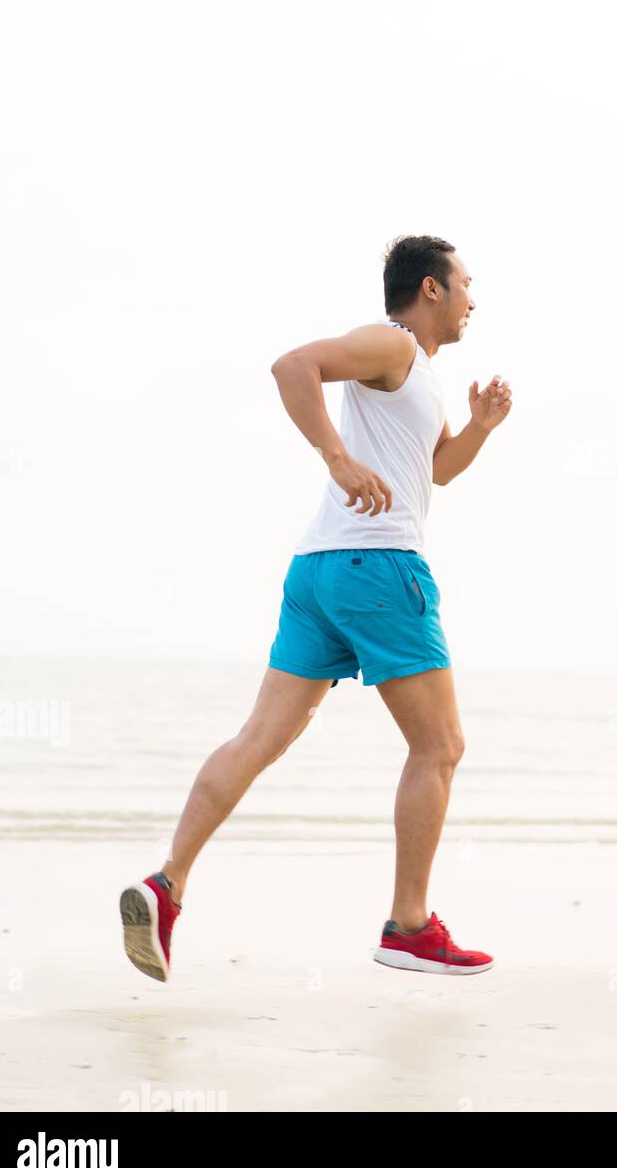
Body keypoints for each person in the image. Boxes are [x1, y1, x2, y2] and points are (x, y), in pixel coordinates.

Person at [119, 235, 512, 981]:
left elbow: (435, 472)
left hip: (320, 569)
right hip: (379, 565)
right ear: (430, 289)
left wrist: (480, 431)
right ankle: (410, 926)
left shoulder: (415, 374)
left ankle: (165, 886)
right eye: (465, 285)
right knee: (441, 747)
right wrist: (335, 457)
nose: (472, 301)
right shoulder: (392, 344)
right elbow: (293, 366)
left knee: (261, 738)